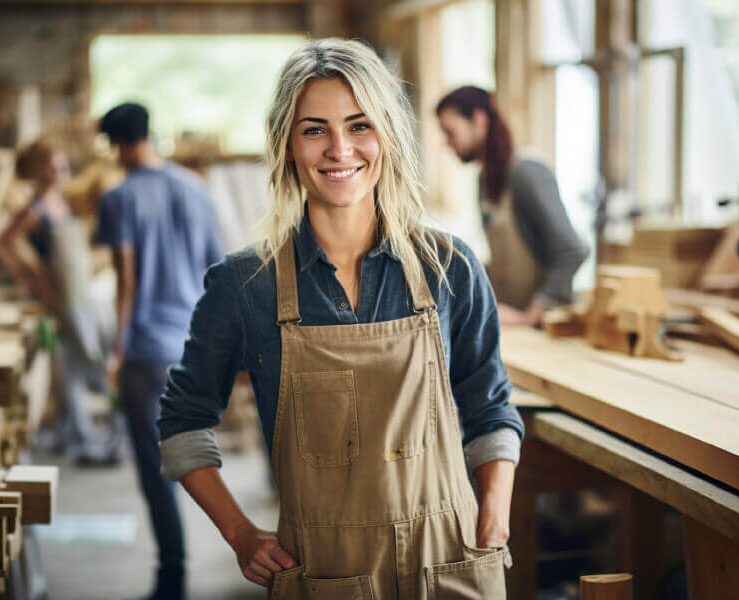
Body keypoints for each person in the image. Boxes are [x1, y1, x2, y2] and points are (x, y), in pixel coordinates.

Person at [157, 39, 523, 599]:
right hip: (324, 576)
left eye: (359, 126)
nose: (339, 149)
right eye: (313, 130)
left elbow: (490, 406)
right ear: (285, 145)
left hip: (453, 564)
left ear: (388, 136)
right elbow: (182, 420)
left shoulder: (450, 267)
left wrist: (493, 518)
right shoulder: (245, 285)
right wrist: (240, 534)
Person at [95, 102, 226, 600]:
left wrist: (116, 350)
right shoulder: (196, 190)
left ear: (118, 144)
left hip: (146, 350)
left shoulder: (120, 196)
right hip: (191, 348)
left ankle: (172, 577)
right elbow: (218, 272)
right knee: (192, 456)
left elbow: (126, 279)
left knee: (157, 469)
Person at [0, 140, 118, 466]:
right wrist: (31, 280)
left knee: (82, 362)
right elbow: (3, 243)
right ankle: (82, 438)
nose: (59, 174)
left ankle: (75, 432)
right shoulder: (34, 210)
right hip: (62, 298)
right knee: (74, 366)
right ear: (38, 172)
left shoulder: (63, 204)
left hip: (81, 294)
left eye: (62, 167)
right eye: (52, 168)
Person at [437, 86, 589, 327]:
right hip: (512, 326)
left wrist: (530, 316)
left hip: (545, 328)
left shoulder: (526, 173)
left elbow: (572, 251)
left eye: (450, 132)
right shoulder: (485, 180)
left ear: (479, 121)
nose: (446, 143)